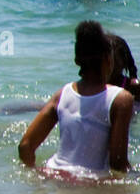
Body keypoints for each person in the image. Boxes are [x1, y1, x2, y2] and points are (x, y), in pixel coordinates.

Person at [18, 21, 134, 177]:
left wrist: (37, 175)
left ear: (77, 60)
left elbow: (25, 145)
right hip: (89, 184)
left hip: (54, 175)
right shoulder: (121, 99)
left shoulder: (62, 94)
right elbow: (118, 164)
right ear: (108, 59)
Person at [107, 33, 140, 104]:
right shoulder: (94, 85)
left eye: (114, 61)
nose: (108, 65)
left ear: (124, 62)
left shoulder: (133, 86)